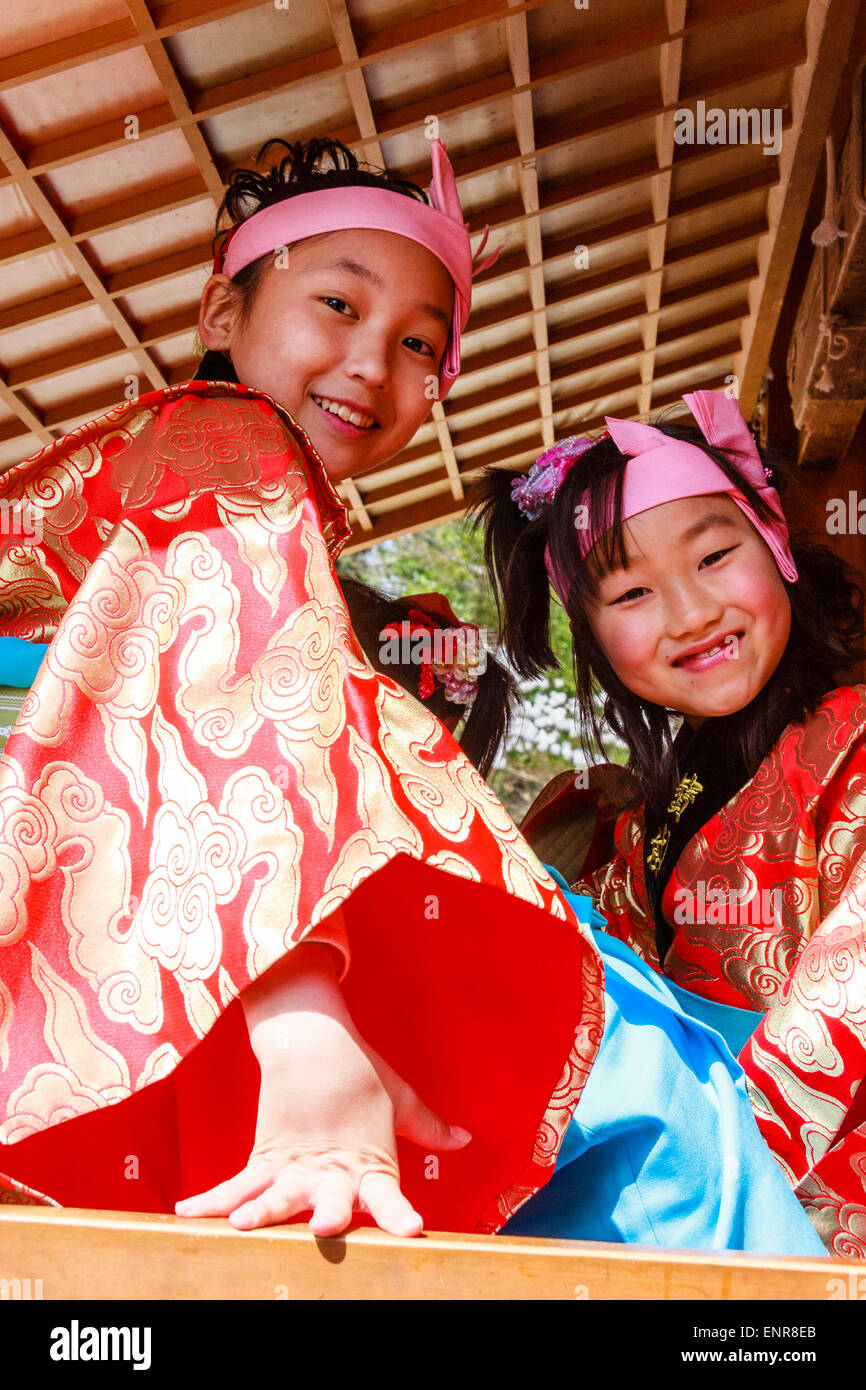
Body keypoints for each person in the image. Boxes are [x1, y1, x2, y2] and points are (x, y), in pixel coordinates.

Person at [0, 137, 605, 1236]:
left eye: (418, 341)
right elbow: (232, 716)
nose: (373, 362)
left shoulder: (215, 474)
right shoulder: (224, 442)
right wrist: (306, 1023)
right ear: (218, 314)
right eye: (336, 300)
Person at [477, 389, 866, 1255]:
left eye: (716, 556)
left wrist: (730, 1168)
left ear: (777, 547)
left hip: (802, 1195)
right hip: (695, 1200)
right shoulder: (628, 830)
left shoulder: (855, 744)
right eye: (632, 594)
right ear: (593, 638)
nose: (691, 615)